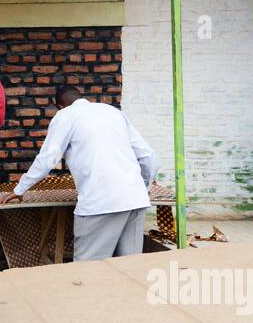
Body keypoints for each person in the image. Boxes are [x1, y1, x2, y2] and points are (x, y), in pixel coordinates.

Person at [8, 85, 157, 260]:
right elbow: (148, 155)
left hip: (101, 202)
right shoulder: (112, 112)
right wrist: (144, 186)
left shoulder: (65, 116)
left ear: (60, 106)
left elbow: (47, 158)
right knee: (129, 268)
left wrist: (19, 189)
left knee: (87, 272)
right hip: (136, 199)